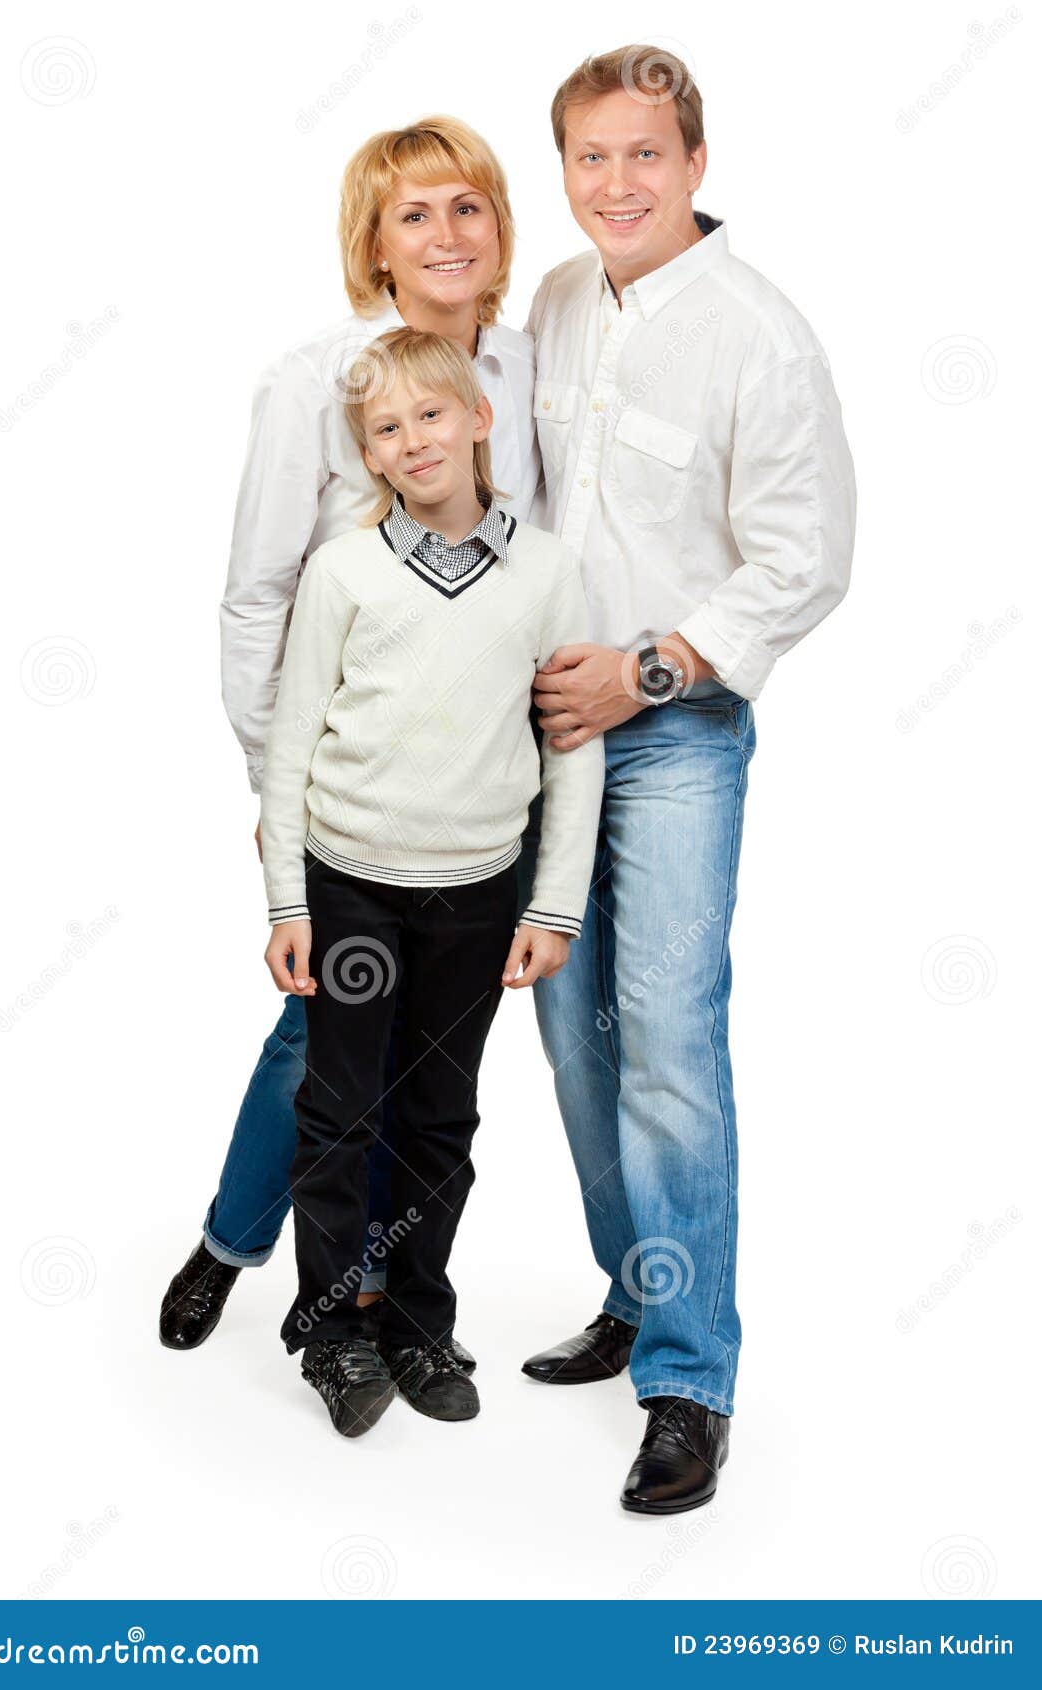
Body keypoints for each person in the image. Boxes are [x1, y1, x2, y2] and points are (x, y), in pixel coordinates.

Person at [519, 46, 856, 1512]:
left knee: (663, 1037)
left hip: (669, 735)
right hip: (543, 731)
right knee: (572, 1039)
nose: (615, 185)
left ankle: (686, 1378)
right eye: (589, 157)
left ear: (695, 162)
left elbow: (805, 562)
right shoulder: (550, 302)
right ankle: (633, 1282)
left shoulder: (757, 335)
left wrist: (642, 672)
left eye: (641, 155)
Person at [160, 118, 539, 1357]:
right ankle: (231, 1244)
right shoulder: (312, 380)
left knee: (421, 1055)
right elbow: (257, 593)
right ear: (371, 246)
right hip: (349, 784)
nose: (444, 235)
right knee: (320, 1026)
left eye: (466, 208)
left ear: (497, 229)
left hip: (478, 784)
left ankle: (374, 1290)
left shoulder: (530, 370)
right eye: (412, 215)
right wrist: (279, 780)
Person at [258, 327, 603, 1434]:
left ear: (479, 419)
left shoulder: (549, 571)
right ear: (366, 452)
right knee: (339, 1109)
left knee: (438, 1115)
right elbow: (292, 743)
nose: (411, 441)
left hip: (476, 896)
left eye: (430, 416)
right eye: (384, 428)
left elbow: (571, 749)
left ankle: (415, 1317)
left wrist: (551, 904)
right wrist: (287, 898)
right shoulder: (343, 571)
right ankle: (333, 1326)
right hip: (351, 883)